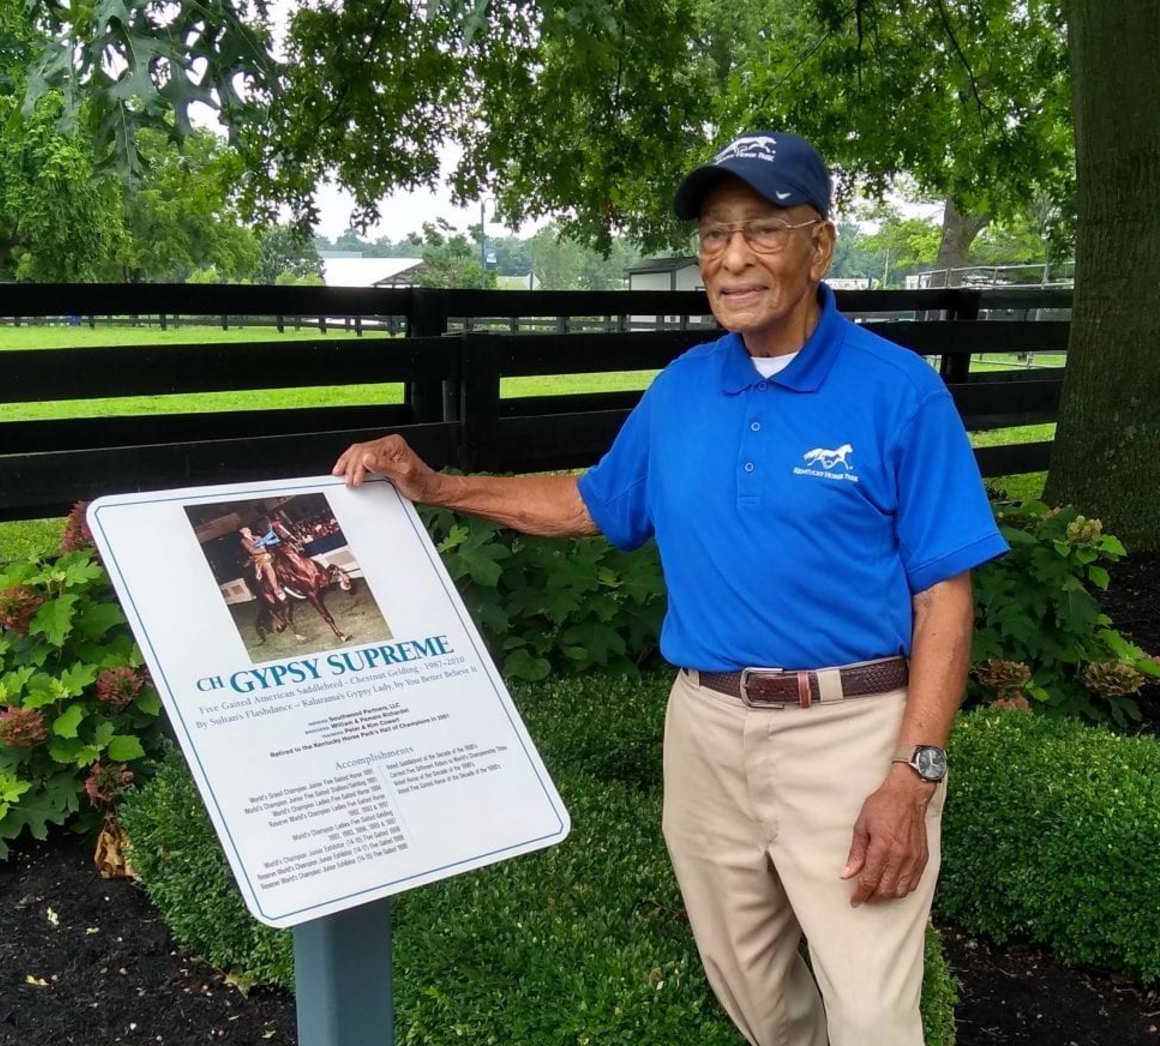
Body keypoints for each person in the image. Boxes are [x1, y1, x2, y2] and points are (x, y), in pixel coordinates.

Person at [332, 130, 1008, 1046]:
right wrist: (439, 485)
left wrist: (912, 776)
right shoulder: (682, 389)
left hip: (852, 738)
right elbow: (591, 502)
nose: (731, 258)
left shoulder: (899, 396)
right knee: (756, 992)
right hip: (707, 733)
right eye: (714, 234)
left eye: (763, 230)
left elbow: (945, 598)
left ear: (821, 244)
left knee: (873, 1014)